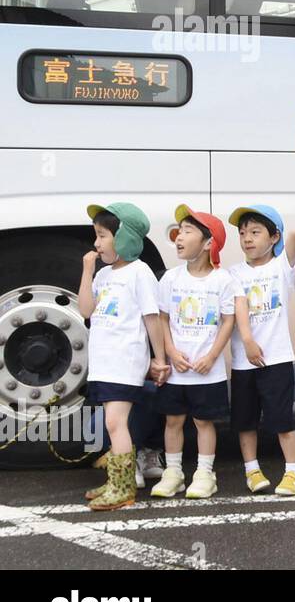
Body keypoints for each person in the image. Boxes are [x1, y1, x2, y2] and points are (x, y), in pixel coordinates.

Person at [79, 202, 167, 511]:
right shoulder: (103, 276)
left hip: (124, 361)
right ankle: (117, 481)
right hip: (104, 364)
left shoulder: (139, 273)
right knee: (112, 423)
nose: (96, 243)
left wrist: (159, 358)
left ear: (124, 237)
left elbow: (152, 318)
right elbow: (86, 311)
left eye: (102, 236)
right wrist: (88, 271)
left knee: (117, 424)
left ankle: (124, 487)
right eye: (96, 236)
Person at [153, 204, 240, 499]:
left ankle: (205, 473)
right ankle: (173, 472)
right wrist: (169, 352)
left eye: (187, 231)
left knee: (204, 422)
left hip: (207, 370)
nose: (178, 236)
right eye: (180, 231)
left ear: (207, 244)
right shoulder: (170, 279)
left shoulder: (223, 280)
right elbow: (162, 318)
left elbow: (229, 320)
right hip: (178, 370)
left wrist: (213, 355)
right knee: (173, 420)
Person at [227, 204, 295, 495]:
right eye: (243, 233)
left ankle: (294, 472)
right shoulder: (233, 273)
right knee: (245, 422)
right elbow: (238, 306)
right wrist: (247, 341)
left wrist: (284, 239)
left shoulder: (281, 266)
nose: (247, 238)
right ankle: (252, 470)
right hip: (244, 362)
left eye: (255, 232)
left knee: (282, 420)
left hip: (277, 359)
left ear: (274, 238)